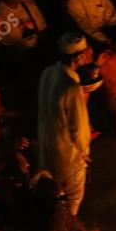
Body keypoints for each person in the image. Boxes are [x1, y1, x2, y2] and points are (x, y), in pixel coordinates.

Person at [37, 33, 92, 214]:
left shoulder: (47, 73)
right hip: (67, 156)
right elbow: (79, 127)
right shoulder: (71, 86)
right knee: (73, 198)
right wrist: (84, 152)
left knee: (53, 196)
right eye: (85, 52)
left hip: (46, 150)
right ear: (78, 56)